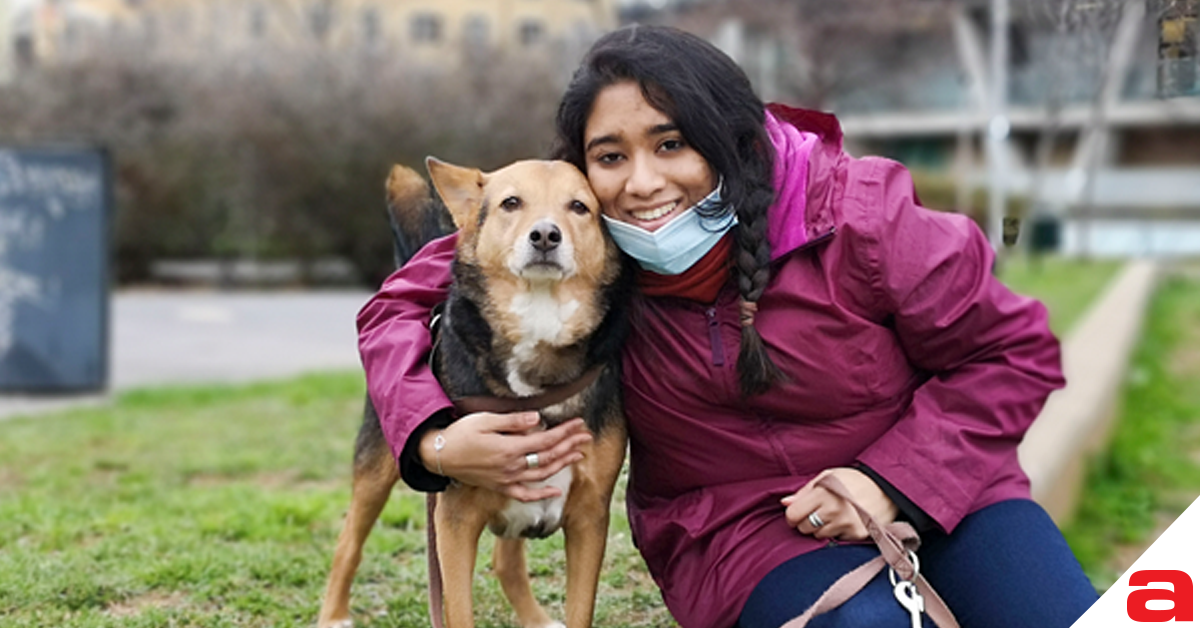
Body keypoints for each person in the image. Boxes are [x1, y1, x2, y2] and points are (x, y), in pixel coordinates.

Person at [356, 24, 1099, 628]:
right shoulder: (585, 231)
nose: (642, 183)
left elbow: (1013, 350)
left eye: (672, 143)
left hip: (945, 492)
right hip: (737, 530)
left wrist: (889, 484)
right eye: (610, 156)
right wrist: (434, 439)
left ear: (734, 139)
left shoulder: (860, 213)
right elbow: (395, 307)